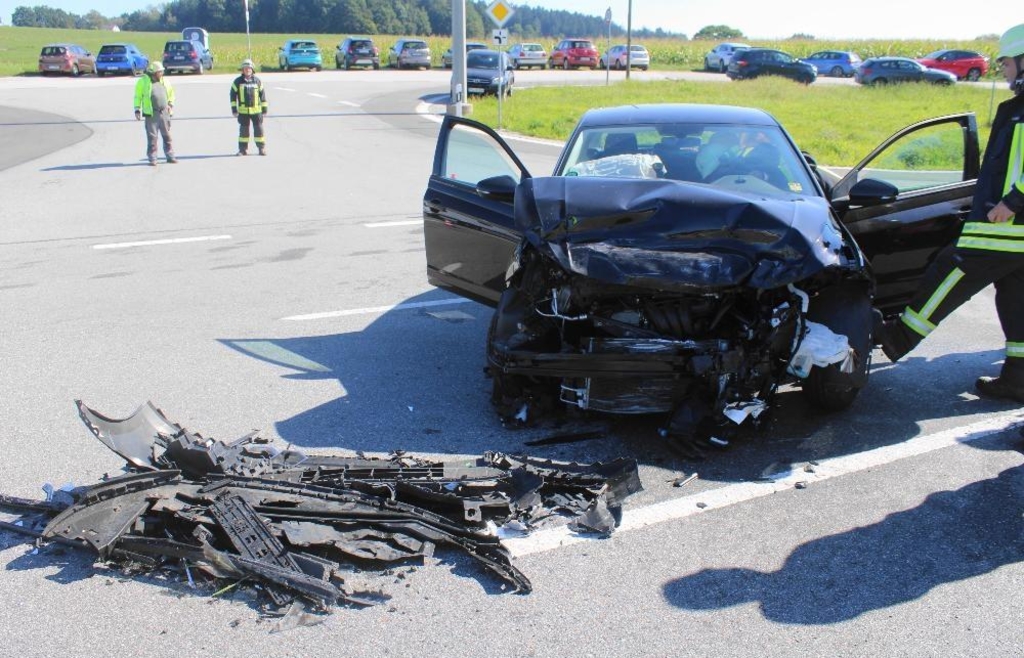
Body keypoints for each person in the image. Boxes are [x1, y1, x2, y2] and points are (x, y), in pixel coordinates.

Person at [877, 23, 1024, 403]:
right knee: (1016, 299)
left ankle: (895, 339)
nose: (1003, 70)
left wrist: (1012, 203)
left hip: (1006, 228)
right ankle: (1019, 377)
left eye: (1007, 62)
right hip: (1013, 231)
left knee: (950, 269)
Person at [133, 61, 175, 166]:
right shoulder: (143, 82)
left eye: (161, 72)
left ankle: (170, 155)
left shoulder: (165, 81)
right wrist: (137, 109)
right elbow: (137, 96)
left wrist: (170, 104)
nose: (161, 74)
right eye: (159, 72)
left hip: (164, 112)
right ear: (153, 73)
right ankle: (152, 157)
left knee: (167, 136)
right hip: (151, 114)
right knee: (152, 137)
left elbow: (171, 93)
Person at [230, 59, 268, 156]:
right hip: (243, 113)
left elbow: (262, 96)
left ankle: (261, 148)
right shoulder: (237, 82)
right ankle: (243, 150)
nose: (247, 70)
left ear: (252, 69)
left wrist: (264, 109)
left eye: (249, 68)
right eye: (245, 68)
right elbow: (233, 96)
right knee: (243, 132)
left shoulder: (257, 81)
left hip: (257, 112)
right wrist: (234, 110)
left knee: (259, 131)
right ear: (242, 70)